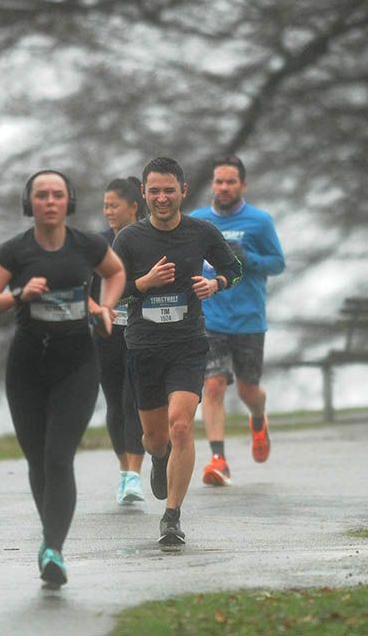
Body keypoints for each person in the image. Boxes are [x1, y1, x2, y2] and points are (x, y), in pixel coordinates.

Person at [0, 170, 125, 587]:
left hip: (77, 365)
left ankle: (52, 548)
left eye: (57, 195)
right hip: (27, 368)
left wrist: (106, 307)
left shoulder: (87, 245)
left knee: (59, 458)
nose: (50, 201)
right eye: (41, 195)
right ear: (30, 204)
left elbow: (115, 273)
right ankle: (51, 542)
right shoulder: (15, 251)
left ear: (68, 202)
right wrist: (18, 296)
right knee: (37, 460)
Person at [112, 157, 242, 548]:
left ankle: (172, 516)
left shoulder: (202, 232)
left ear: (183, 191)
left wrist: (216, 283)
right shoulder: (129, 239)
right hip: (144, 347)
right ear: (144, 194)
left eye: (169, 189)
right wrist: (144, 283)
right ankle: (157, 458)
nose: (162, 197)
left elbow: (236, 268)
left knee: (181, 425)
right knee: (155, 437)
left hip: (187, 344)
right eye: (155, 190)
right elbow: (108, 290)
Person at [190, 156, 284, 486]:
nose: (224, 187)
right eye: (219, 181)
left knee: (248, 390)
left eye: (231, 182)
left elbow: (277, 264)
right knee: (212, 385)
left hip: (248, 319)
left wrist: (248, 258)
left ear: (242, 186)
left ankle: (258, 419)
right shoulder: (198, 221)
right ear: (212, 184)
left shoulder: (259, 221)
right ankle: (218, 459)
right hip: (210, 318)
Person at [91, 177, 146, 505]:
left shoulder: (147, 240)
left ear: (133, 206)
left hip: (142, 331)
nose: (108, 211)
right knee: (114, 402)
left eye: (114, 205)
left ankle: (136, 474)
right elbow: (81, 288)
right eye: (105, 206)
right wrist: (97, 310)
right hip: (107, 334)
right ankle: (125, 473)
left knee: (132, 400)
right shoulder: (97, 244)